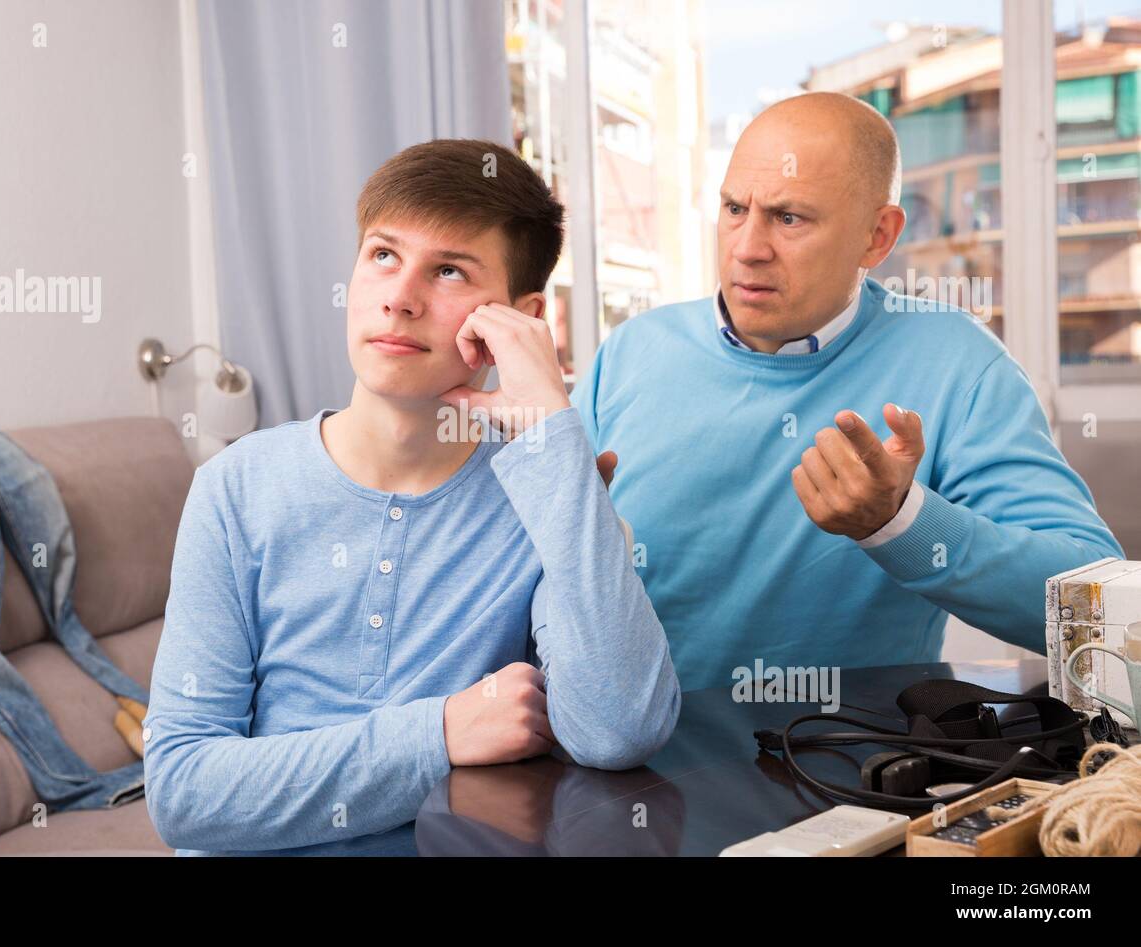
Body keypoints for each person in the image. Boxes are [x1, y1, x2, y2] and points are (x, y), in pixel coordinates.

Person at [143, 138, 681, 856]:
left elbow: (621, 729)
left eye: (449, 269)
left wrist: (554, 442)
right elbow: (183, 791)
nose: (400, 296)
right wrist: (441, 730)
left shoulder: (546, 490)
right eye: (384, 255)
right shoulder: (235, 487)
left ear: (519, 318)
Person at [570, 92, 1124, 690]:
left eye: (789, 218)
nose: (748, 248)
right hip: (624, 765)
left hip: (839, 772)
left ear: (876, 237)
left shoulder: (957, 363)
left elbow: (1096, 605)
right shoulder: (629, 352)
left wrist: (901, 522)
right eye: (735, 208)